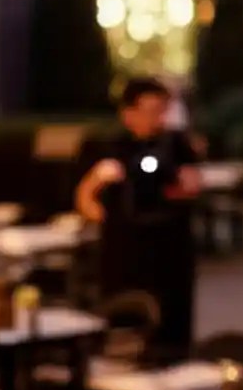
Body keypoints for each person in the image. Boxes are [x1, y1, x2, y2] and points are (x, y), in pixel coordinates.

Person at [76, 77, 201, 362]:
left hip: (171, 250)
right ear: (128, 113)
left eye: (162, 111)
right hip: (125, 254)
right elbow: (85, 198)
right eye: (149, 111)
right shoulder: (110, 147)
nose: (157, 119)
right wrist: (108, 216)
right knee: (126, 322)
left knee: (172, 325)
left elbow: (191, 185)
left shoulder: (176, 145)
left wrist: (180, 185)